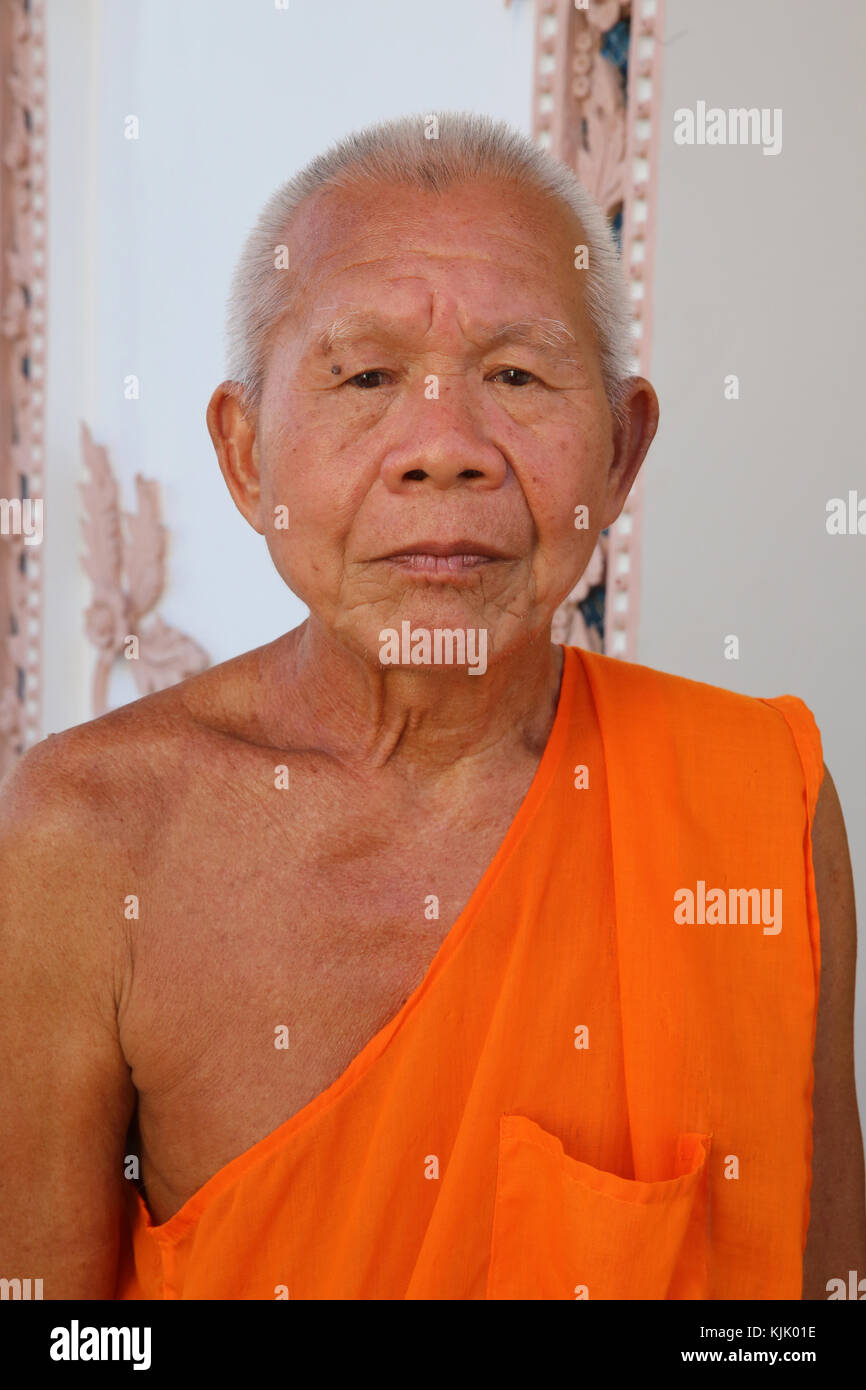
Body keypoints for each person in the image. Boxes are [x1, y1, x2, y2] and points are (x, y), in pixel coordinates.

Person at [1, 112, 863, 1301]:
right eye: (364, 375)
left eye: (515, 374)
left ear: (620, 452)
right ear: (247, 457)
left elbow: (811, 1301)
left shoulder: (756, 798)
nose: (443, 448)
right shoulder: (85, 832)